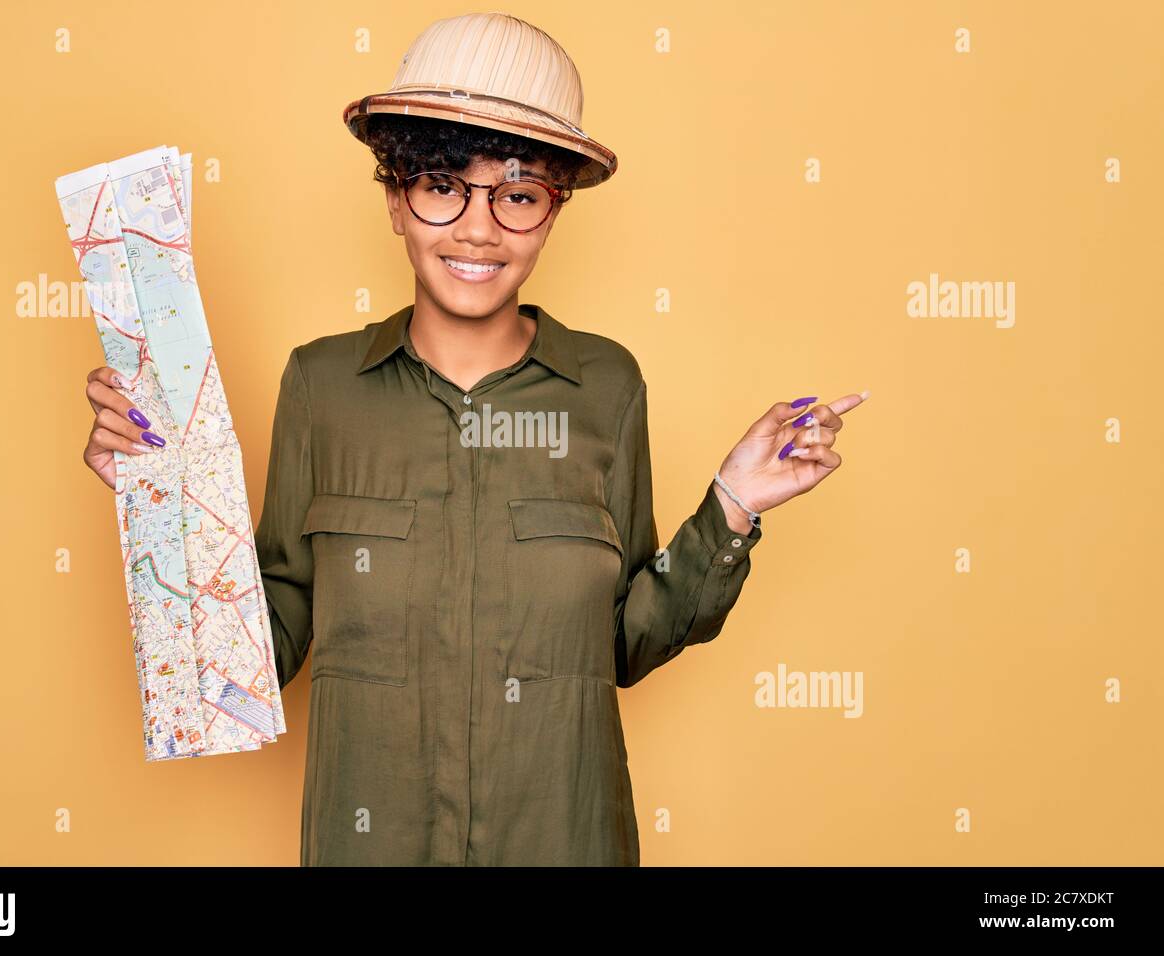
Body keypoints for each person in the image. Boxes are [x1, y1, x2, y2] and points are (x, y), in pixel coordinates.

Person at [79, 12, 867, 865]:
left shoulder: (608, 387)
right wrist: (159, 503)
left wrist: (734, 507)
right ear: (394, 200)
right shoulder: (321, 386)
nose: (479, 228)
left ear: (552, 211)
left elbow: (621, 645)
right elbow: (254, 658)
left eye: (518, 194)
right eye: (443, 184)